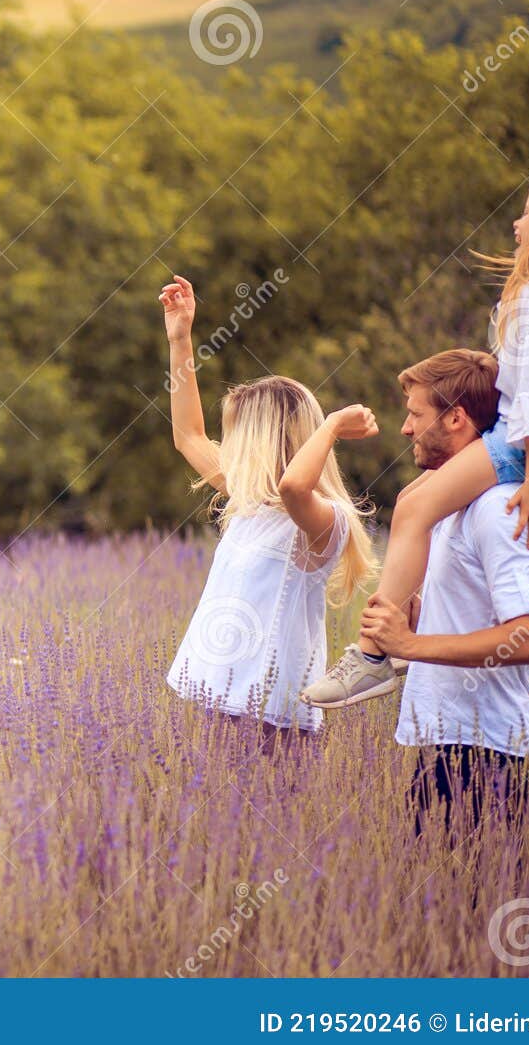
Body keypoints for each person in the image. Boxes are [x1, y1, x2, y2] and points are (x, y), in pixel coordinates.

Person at [306, 176, 529, 707]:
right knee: (411, 501)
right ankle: (401, 636)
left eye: (528, 213)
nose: (517, 224)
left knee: (414, 509)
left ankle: (372, 657)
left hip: (521, 443)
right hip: (521, 439)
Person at [161, 274, 377, 734]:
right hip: (222, 703)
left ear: (262, 439)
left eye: (238, 432)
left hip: (273, 718)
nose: (229, 443)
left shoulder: (320, 518)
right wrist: (180, 340)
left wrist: (333, 424)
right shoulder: (250, 502)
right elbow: (188, 436)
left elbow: (294, 487)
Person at [356, 350, 529, 837]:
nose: (405, 428)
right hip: (449, 739)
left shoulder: (498, 509)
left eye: (415, 414)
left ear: (457, 418)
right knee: (433, 905)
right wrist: (421, 619)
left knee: (467, 900)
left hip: (486, 753)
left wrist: (409, 647)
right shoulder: (448, 507)